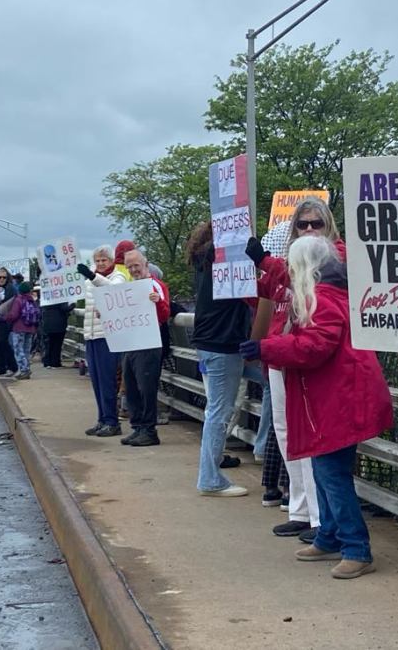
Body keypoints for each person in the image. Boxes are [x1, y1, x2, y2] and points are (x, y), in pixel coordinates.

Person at [239, 236, 393, 579]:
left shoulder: (320, 300)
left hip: (338, 398)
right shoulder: (327, 294)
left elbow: (314, 346)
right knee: (326, 471)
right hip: (337, 395)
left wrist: (267, 348)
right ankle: (331, 536)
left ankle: (356, 547)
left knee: (331, 473)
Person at [245, 198, 344, 540]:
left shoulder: (336, 255)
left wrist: (266, 263)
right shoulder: (287, 259)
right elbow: (265, 294)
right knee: (286, 431)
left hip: (309, 356)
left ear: (328, 225)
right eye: (303, 225)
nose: (310, 230)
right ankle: (300, 508)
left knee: (313, 435)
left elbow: (301, 274)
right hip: (281, 349)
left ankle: (321, 520)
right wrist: (241, 268)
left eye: (317, 224)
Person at [186, 221, 253, 497]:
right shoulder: (219, 262)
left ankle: (260, 448)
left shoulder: (203, 267)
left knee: (216, 409)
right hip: (224, 346)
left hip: (212, 344)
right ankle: (210, 478)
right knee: (218, 412)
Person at [119, 249, 170, 446]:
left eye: (136, 266)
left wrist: (158, 303)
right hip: (132, 342)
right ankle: (138, 426)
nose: (133, 270)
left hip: (149, 342)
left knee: (146, 387)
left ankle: (149, 429)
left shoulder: (155, 285)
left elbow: (165, 315)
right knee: (131, 386)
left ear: (145, 265)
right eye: (130, 267)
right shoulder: (131, 287)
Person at [77, 246, 128, 437]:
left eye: (104, 260)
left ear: (111, 261)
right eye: (97, 260)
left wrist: (92, 276)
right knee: (96, 380)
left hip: (107, 335)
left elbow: (113, 290)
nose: (100, 264)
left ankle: (112, 421)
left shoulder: (117, 276)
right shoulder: (92, 278)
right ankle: (102, 418)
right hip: (91, 333)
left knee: (107, 380)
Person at [4, 282, 39, 380]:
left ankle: (24, 370)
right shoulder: (32, 300)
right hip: (30, 329)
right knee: (26, 350)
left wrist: (5, 317)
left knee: (18, 350)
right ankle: (26, 368)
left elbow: (14, 315)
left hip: (19, 328)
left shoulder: (18, 300)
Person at [0, 267, 18, 377]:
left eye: (4, 277)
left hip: (5, 320)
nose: (1, 279)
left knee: (4, 342)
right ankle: (0, 367)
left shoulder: (10, 288)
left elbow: (11, 303)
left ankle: (12, 366)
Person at [40, 300, 75, 368]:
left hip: (47, 323)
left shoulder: (47, 299)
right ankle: (55, 362)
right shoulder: (60, 299)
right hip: (59, 324)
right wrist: (73, 305)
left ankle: (47, 362)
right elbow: (65, 308)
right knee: (57, 345)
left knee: (49, 344)